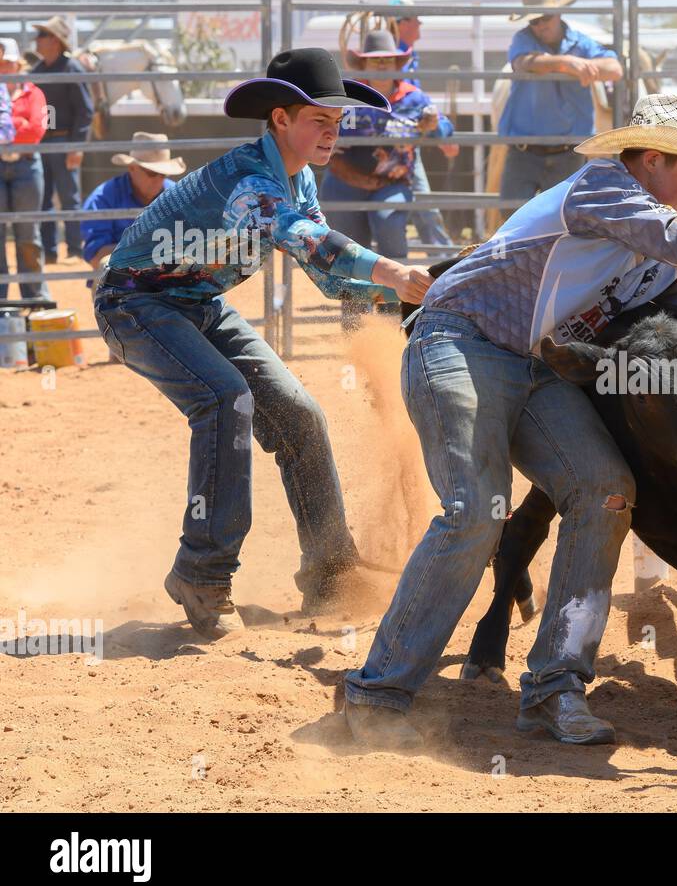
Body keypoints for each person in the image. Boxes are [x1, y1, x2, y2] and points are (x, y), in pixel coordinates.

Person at [342, 93, 677, 749]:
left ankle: (555, 690)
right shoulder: (603, 189)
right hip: (459, 341)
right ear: (650, 160)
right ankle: (377, 695)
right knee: (475, 508)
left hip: (538, 366)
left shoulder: (659, 239)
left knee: (606, 493)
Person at [92, 48, 433, 639]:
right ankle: (203, 574)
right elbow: (299, 235)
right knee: (225, 399)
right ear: (280, 118)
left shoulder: (296, 177)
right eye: (319, 121)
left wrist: (396, 297)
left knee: (298, 414)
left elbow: (326, 271)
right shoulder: (249, 180)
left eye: (337, 123)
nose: (332, 133)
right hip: (135, 303)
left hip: (192, 304)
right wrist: (393, 273)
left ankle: (329, 570)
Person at [320, 30, 455, 331]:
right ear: (364, 64)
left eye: (387, 59)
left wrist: (435, 124)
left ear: (397, 62)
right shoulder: (346, 95)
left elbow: (444, 129)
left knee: (392, 232)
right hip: (345, 184)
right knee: (348, 255)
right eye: (374, 60)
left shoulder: (414, 97)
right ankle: (354, 334)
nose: (381, 64)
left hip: (391, 184)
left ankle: (393, 326)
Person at [498, 0, 623, 201]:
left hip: (568, 152)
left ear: (558, 13)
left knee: (562, 221)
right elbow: (523, 63)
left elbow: (615, 69)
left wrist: (579, 65)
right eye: (534, 21)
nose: (540, 25)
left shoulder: (580, 42)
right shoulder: (523, 39)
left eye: (545, 17)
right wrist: (568, 64)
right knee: (512, 216)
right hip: (524, 151)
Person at [389, 0, 459, 251]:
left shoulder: (404, 54)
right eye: (415, 18)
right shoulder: (400, 56)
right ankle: (445, 260)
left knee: (415, 205)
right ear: (402, 23)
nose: (419, 23)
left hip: (394, 140)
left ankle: (442, 257)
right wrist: (441, 131)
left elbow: (414, 101)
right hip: (399, 143)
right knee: (423, 205)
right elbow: (414, 104)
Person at [29, 15, 93, 263]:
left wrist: (76, 146)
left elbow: (85, 111)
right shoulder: (38, 71)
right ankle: (50, 251)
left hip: (64, 141)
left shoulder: (71, 68)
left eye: (42, 35)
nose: (37, 40)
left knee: (69, 198)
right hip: (42, 142)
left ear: (55, 41)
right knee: (42, 197)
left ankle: (75, 250)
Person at [81, 132, 185, 274]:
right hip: (121, 278)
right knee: (105, 264)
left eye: (163, 174)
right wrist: (147, 251)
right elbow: (96, 256)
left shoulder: (177, 195)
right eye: (152, 173)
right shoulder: (103, 198)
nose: (159, 179)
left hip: (168, 279)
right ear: (132, 168)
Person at [0, 36, 49, 304]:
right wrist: (20, 122)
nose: (3, 69)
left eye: (7, 63)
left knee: (28, 234)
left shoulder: (34, 92)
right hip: (18, 165)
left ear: (17, 65)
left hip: (26, 165)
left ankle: (34, 299)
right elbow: (27, 128)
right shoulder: (32, 94)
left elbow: (36, 132)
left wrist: (9, 126)